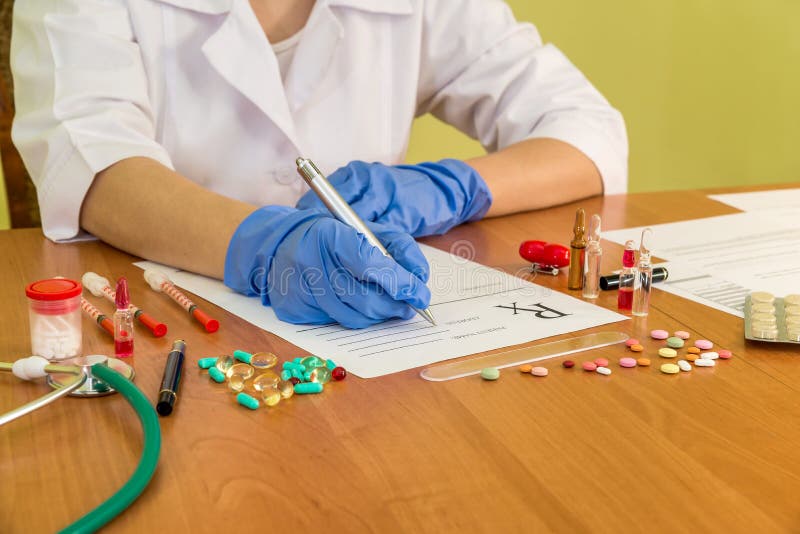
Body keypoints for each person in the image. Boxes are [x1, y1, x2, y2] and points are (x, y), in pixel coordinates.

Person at [11, 0, 627, 328]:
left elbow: (587, 132)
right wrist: (265, 245)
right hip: (162, 322)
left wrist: (444, 188)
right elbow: (92, 160)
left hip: (362, 365)